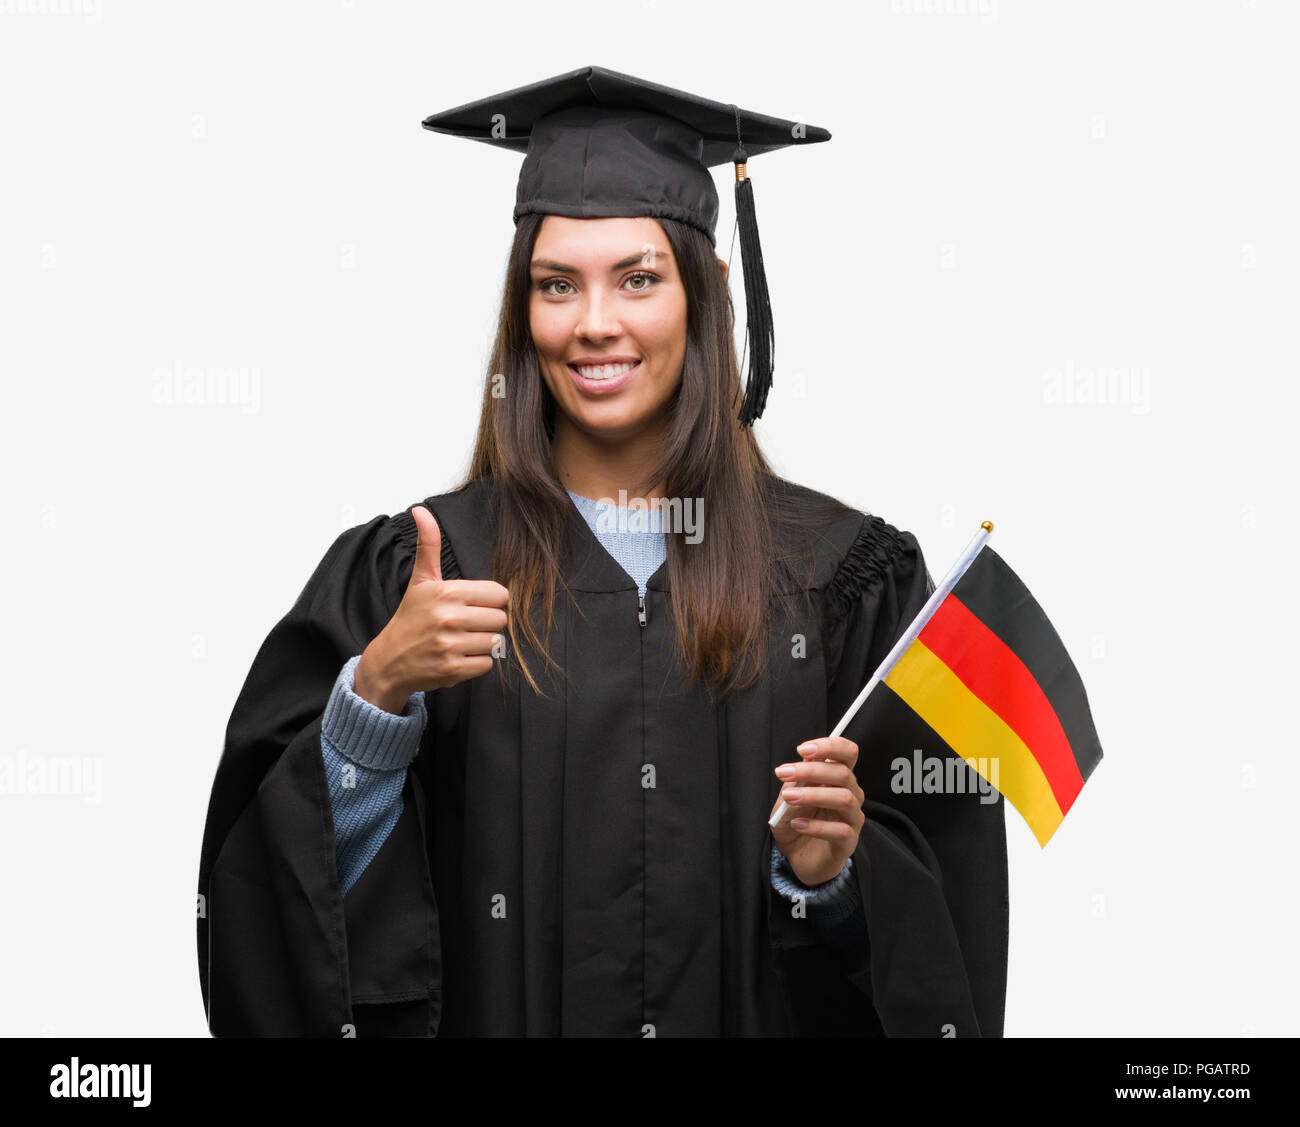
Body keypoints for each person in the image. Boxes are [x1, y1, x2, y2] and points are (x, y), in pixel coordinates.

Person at [196, 65, 1008, 1037]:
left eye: (637, 278)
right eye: (555, 284)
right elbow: (260, 904)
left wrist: (830, 878)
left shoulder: (843, 577)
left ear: (706, 292)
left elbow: (949, 900)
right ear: (522, 311)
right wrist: (369, 708)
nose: (593, 322)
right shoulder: (418, 570)